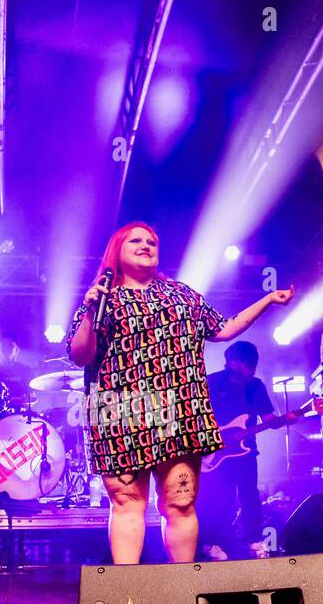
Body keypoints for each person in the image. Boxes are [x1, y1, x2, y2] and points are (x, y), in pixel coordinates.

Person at [67, 221, 294, 564]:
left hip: (179, 409)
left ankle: (182, 594)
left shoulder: (181, 294)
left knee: (180, 502)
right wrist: (88, 311)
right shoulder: (102, 298)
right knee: (128, 502)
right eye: (137, 240)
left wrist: (267, 300)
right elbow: (80, 355)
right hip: (120, 411)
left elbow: (225, 328)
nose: (147, 245)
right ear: (117, 249)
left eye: (152, 241)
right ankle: (126, 594)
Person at [201, 341, 275, 560]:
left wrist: (286, 419)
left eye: (253, 364)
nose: (251, 368)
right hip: (215, 452)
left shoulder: (256, 386)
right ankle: (213, 542)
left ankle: (254, 540)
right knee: (219, 498)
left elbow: (269, 419)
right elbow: (197, 417)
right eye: (247, 363)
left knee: (250, 496)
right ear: (233, 362)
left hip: (245, 452)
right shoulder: (212, 382)